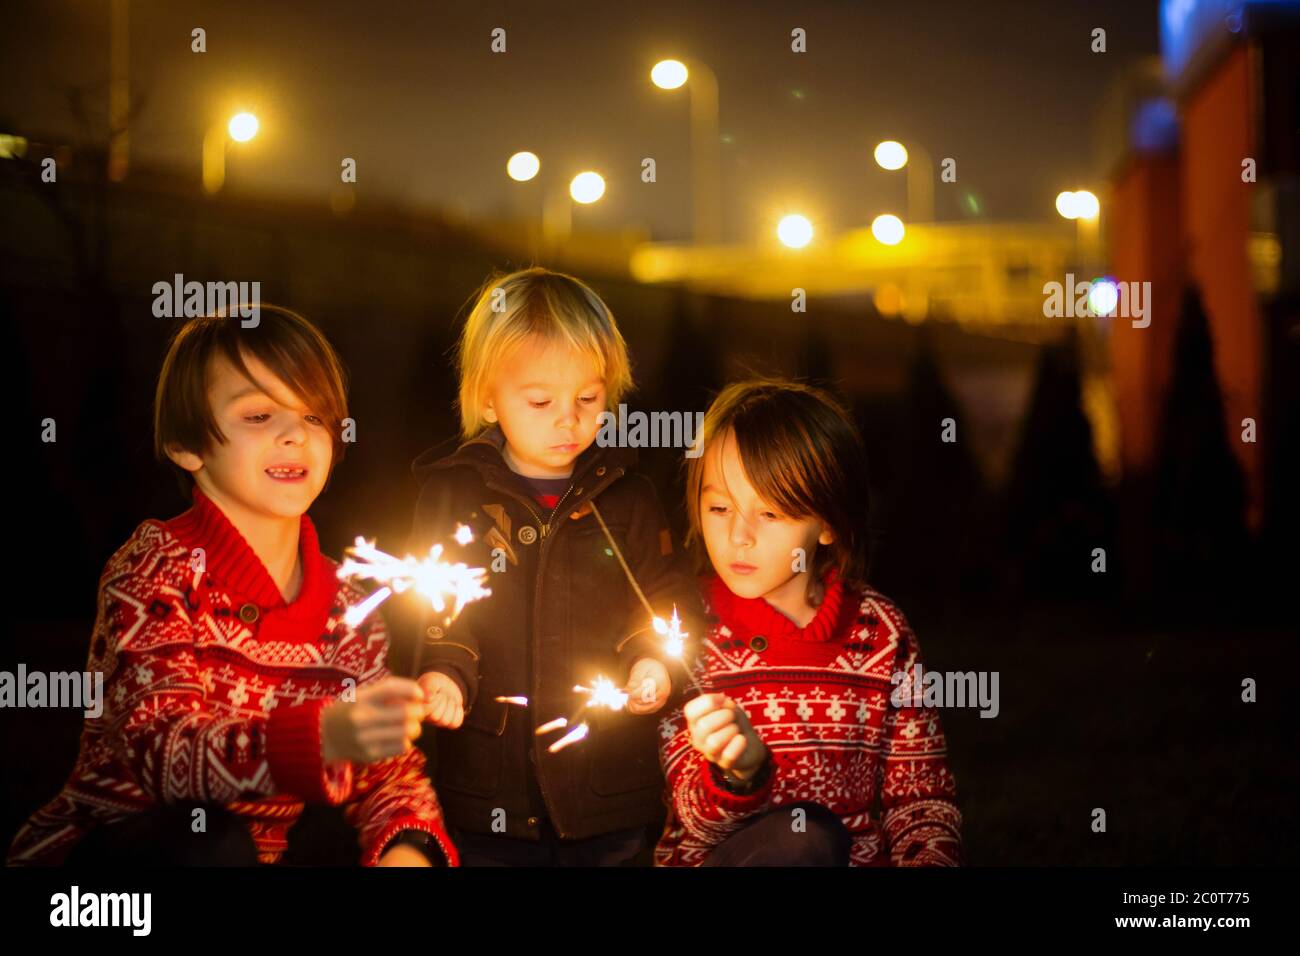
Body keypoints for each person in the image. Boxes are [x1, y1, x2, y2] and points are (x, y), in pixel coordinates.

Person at [8, 305, 456, 867]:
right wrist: (321, 738)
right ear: (187, 446)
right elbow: (162, 755)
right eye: (259, 416)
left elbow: (392, 780)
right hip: (119, 863)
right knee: (208, 843)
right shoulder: (157, 570)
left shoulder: (350, 609)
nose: (296, 434)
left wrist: (406, 847)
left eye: (314, 417)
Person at [655, 379, 962, 866]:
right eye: (719, 508)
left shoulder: (880, 632)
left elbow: (920, 801)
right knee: (803, 840)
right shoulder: (684, 630)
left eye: (771, 513)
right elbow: (695, 815)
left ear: (828, 523)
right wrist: (742, 775)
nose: (739, 535)